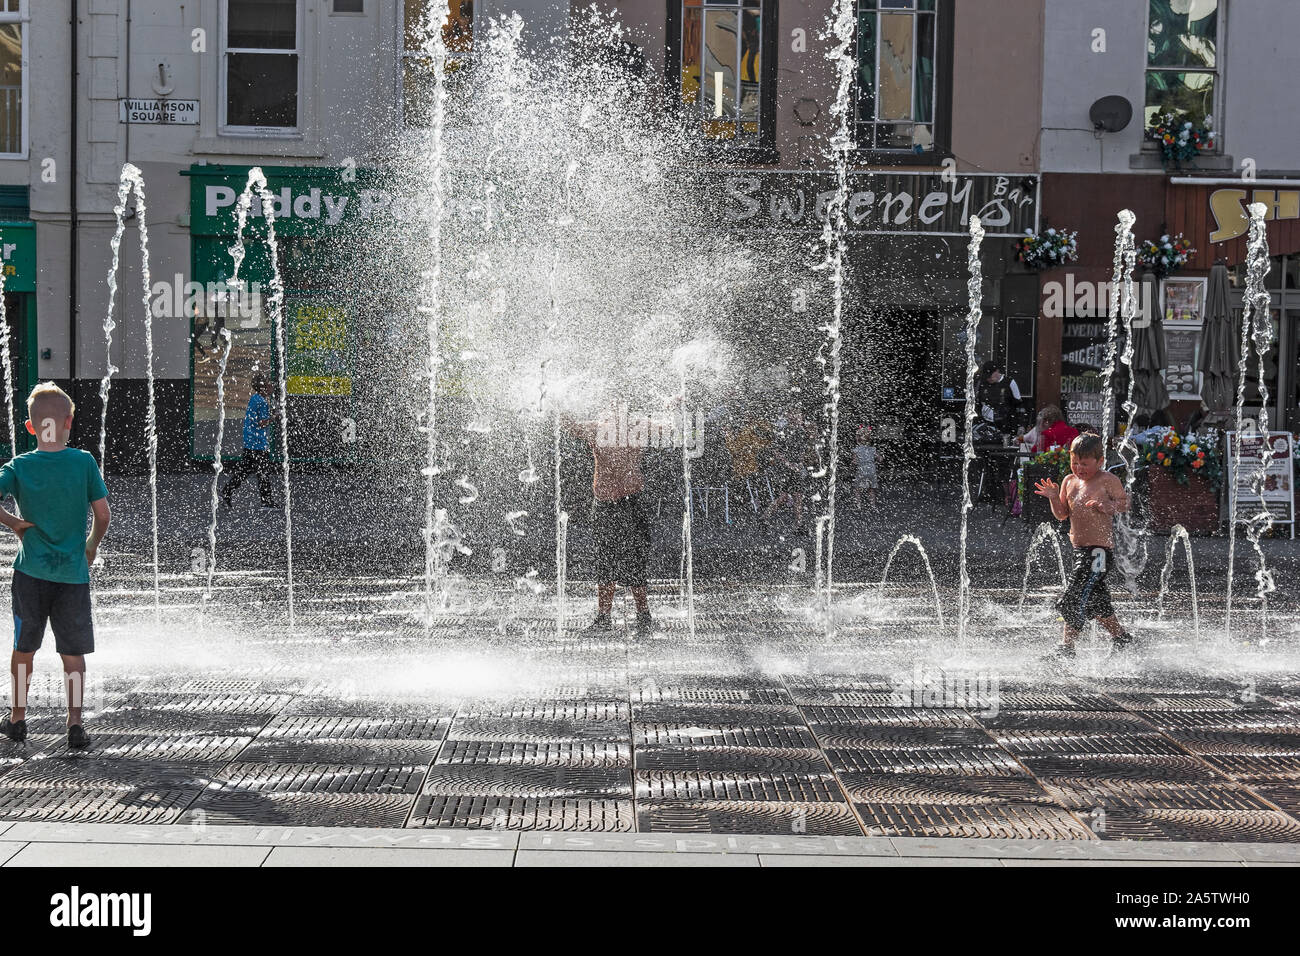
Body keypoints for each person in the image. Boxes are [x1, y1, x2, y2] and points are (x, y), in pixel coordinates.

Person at [0, 383, 111, 749]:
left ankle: (17, 718)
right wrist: (90, 546)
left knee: (23, 648)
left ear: (31, 427)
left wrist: (14, 523)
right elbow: (103, 514)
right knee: (72, 654)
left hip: (30, 574)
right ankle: (75, 724)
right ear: (69, 422)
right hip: (73, 576)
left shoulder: (19, 466)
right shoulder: (83, 462)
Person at [1033, 432, 1136, 661]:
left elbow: (1125, 503)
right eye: (1075, 462)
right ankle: (1121, 638)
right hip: (1080, 551)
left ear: (1100, 461)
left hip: (1099, 551)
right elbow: (1061, 515)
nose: (1079, 468)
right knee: (1095, 598)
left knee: (1076, 594)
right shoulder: (1070, 481)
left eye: (1085, 464)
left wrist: (1108, 505)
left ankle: (1066, 648)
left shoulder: (1107, 480)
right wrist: (1052, 496)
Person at [567, 401, 655, 636]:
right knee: (605, 560)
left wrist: (674, 407)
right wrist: (555, 400)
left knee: (635, 560)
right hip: (606, 506)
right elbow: (569, 425)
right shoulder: (599, 428)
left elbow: (670, 428)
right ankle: (605, 617)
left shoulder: (639, 426)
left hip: (630, 503)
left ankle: (643, 616)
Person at [221, 372, 277, 509]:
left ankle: (227, 492)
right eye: (270, 383)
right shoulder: (262, 402)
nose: (272, 386)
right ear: (264, 387)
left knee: (243, 471)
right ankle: (266, 501)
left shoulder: (254, 398)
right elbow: (262, 423)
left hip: (250, 442)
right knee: (263, 472)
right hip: (258, 444)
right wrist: (275, 417)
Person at [762, 408, 814, 529]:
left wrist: (800, 463)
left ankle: (798, 524)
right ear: (789, 416)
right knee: (785, 497)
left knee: (798, 496)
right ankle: (765, 517)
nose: (797, 417)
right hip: (786, 469)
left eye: (798, 414)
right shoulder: (784, 431)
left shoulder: (801, 432)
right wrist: (788, 464)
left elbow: (801, 450)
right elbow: (775, 450)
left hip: (795, 468)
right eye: (794, 414)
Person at [851, 424, 878, 509]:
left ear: (858, 439)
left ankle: (858, 505)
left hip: (862, 469)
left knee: (857, 487)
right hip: (871, 469)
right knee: (871, 488)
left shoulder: (856, 450)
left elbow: (854, 461)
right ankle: (872, 505)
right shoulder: (873, 449)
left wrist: (853, 464)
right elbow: (880, 458)